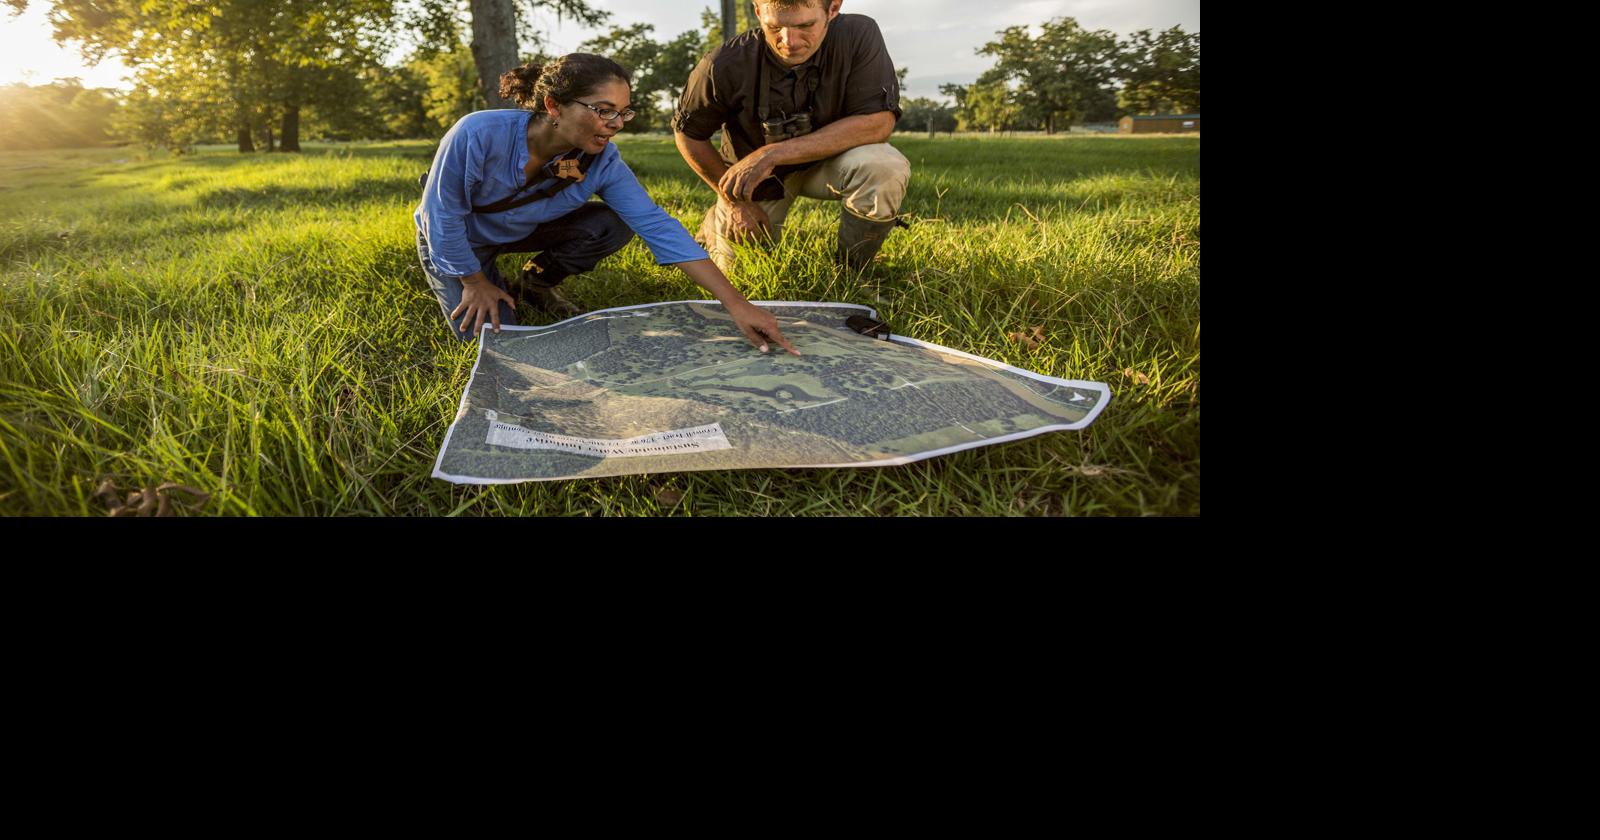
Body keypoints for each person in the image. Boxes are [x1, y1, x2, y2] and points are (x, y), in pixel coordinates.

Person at [415, 53, 798, 355]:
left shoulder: (603, 162)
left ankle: (536, 281)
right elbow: (441, 215)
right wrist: (474, 281)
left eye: (623, 112)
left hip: (521, 230)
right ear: (554, 105)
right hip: (458, 241)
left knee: (611, 222)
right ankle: (482, 278)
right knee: (499, 343)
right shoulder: (478, 133)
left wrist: (735, 303)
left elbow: (657, 225)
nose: (616, 123)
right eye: (603, 110)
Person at [672, 0, 910, 276]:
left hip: (829, 162)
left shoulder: (859, 33)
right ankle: (716, 222)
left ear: (832, 9)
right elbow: (688, 134)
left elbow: (878, 123)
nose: (789, 41)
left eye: (805, 25)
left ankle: (852, 274)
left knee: (885, 165)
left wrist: (772, 154)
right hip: (757, 184)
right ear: (758, 12)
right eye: (775, 27)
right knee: (743, 280)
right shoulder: (722, 63)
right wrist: (734, 202)